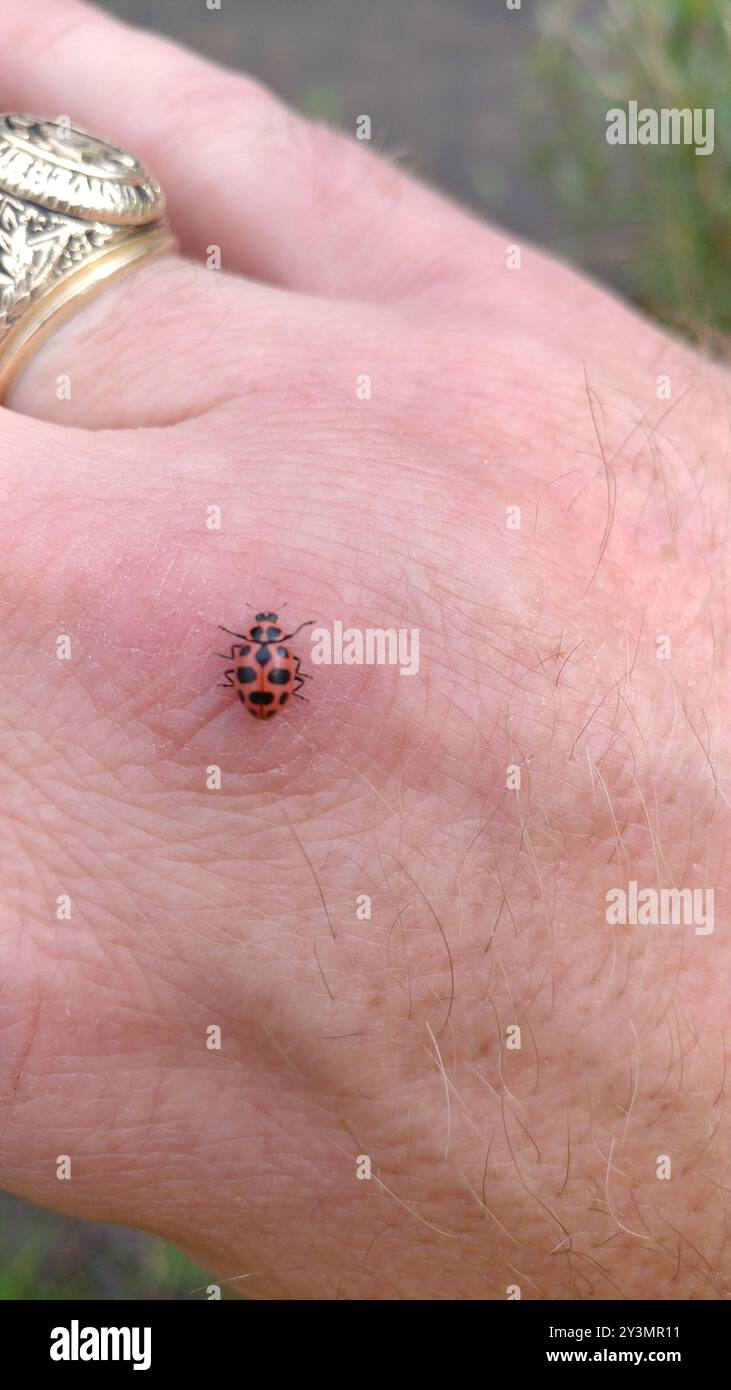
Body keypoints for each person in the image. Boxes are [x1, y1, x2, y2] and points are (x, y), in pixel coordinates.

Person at [0, 0, 728, 1301]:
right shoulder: (264, 654)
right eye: (264, 653)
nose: (265, 656)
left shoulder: (262, 657)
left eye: (265, 652)